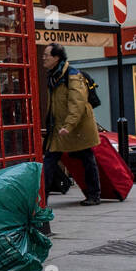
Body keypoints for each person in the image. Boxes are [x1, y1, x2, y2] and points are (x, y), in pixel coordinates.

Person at [40, 45, 102, 205]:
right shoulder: (53, 75)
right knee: (49, 161)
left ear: (56, 58)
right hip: (60, 128)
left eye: (47, 55)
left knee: (87, 160)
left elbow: (77, 104)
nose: (44, 57)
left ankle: (94, 195)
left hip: (77, 128)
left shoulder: (72, 75)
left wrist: (68, 126)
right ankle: (41, 200)